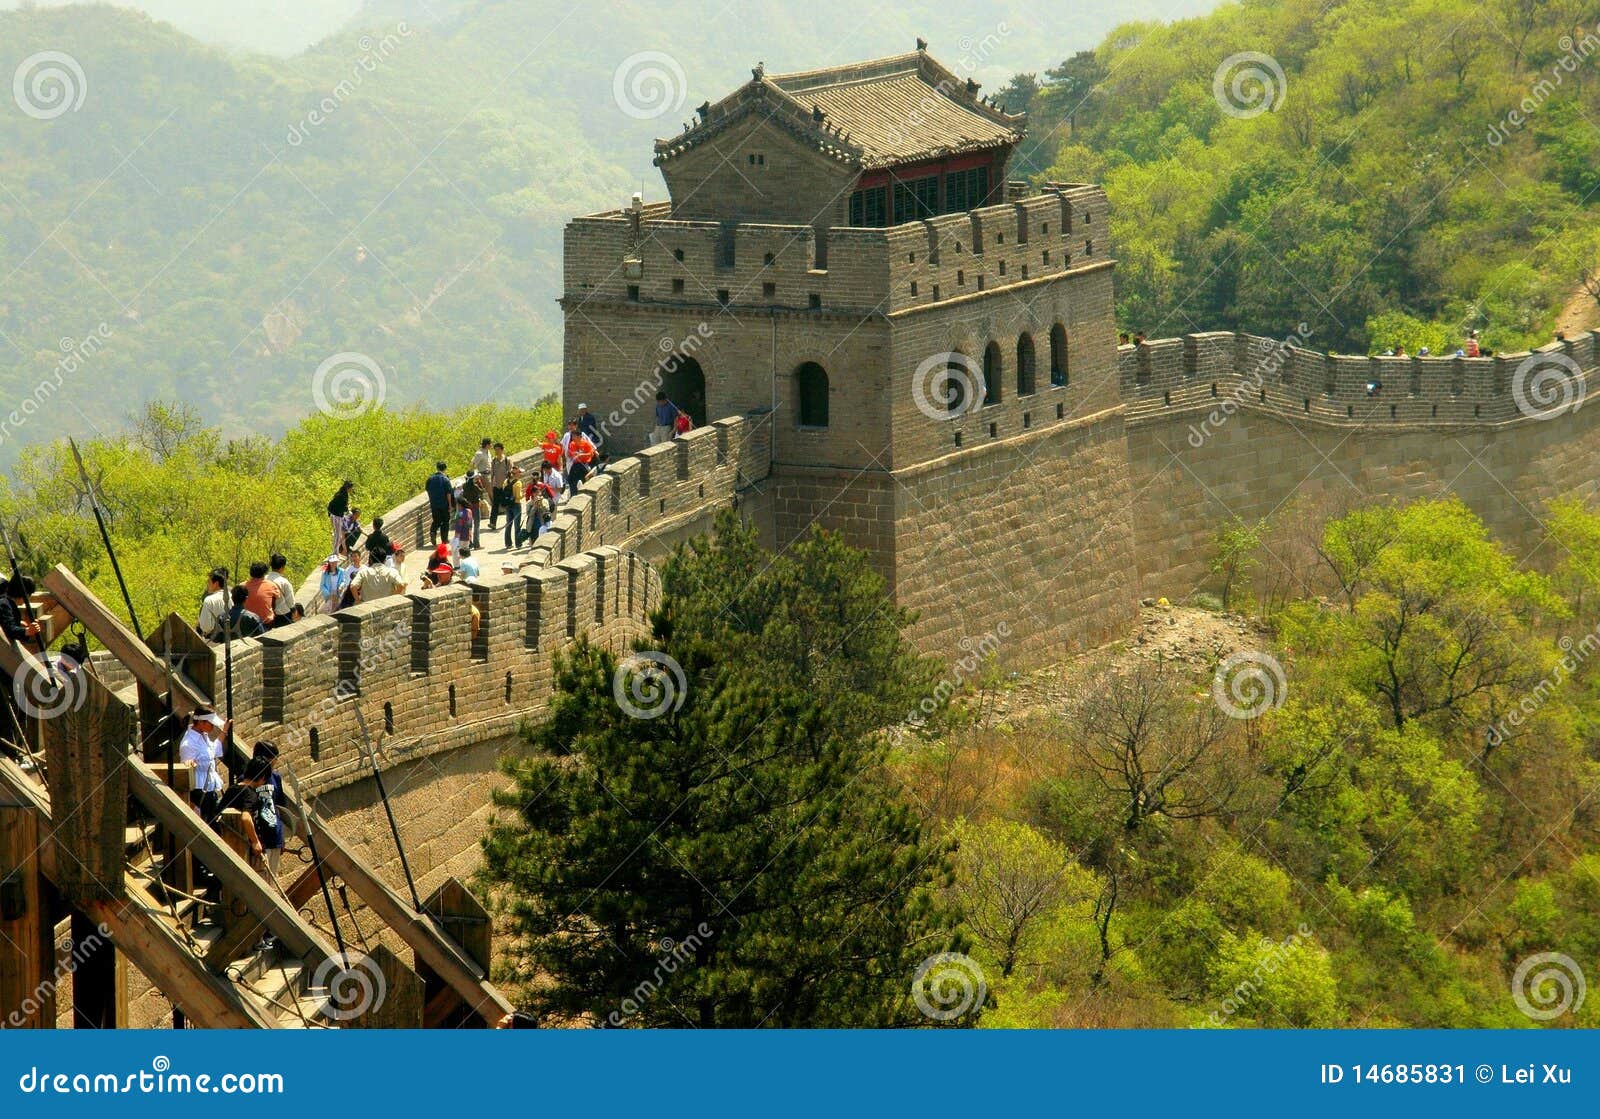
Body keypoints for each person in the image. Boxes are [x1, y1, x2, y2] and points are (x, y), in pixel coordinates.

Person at [180, 710, 229, 820]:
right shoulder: (188, 744)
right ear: (201, 722)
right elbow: (185, 772)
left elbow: (213, 751)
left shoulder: (203, 736)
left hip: (209, 789)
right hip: (199, 792)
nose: (213, 726)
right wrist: (188, 764)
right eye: (211, 723)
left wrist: (224, 731)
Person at [565, 420, 596, 495]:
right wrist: (574, 454)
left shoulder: (586, 444)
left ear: (579, 436)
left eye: (574, 436)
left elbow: (591, 453)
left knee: (586, 480)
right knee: (571, 480)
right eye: (572, 436)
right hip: (575, 464)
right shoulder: (572, 444)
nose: (572, 437)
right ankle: (573, 495)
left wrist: (582, 455)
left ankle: (586, 494)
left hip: (584, 465)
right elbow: (572, 453)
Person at [425, 461, 453, 546]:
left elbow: (427, 490)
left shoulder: (430, 479)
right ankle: (444, 539)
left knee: (436, 520)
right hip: (444, 504)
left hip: (434, 504)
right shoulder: (445, 479)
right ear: (445, 469)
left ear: (437, 468)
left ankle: (433, 532)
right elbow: (448, 493)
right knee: (445, 521)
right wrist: (450, 505)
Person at [266, 554, 298, 626]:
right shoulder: (284, 582)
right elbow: (291, 603)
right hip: (282, 615)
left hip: (267, 615)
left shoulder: (264, 579)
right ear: (282, 567)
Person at [198, 567, 229, 640]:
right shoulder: (232, 596)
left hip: (213, 639)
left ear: (216, 584)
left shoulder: (209, 600)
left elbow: (205, 626)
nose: (207, 585)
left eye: (209, 582)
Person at [327, 480, 355, 555]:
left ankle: (335, 552)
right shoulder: (343, 496)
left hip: (333, 515)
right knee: (338, 535)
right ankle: (335, 553)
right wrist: (348, 509)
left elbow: (332, 505)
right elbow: (342, 507)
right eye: (351, 488)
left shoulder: (340, 493)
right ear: (348, 488)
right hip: (336, 517)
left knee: (337, 534)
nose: (352, 489)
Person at [489, 442, 511, 531]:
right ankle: (492, 523)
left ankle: (509, 521)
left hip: (505, 487)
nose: (496, 451)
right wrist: (492, 485)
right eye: (495, 450)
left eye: (498, 449)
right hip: (496, 486)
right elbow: (492, 474)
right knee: (495, 505)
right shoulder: (494, 461)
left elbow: (510, 473)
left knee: (506, 504)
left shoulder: (507, 460)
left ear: (502, 450)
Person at [503, 464, 525, 549]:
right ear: (516, 474)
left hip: (508, 505)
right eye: (520, 472)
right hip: (516, 505)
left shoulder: (506, 481)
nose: (521, 474)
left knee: (508, 524)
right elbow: (518, 496)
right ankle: (518, 544)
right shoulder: (518, 483)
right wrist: (523, 494)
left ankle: (508, 543)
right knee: (517, 525)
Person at [460, 471, 484, 549]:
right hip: (475, 507)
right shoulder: (475, 486)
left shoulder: (464, 486)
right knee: (476, 525)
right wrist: (479, 482)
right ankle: (476, 544)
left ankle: (469, 543)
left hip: (467, 507)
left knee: (468, 526)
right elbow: (482, 491)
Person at [452, 493, 475, 565]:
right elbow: (470, 525)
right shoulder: (469, 511)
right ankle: (468, 564)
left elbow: (459, 527)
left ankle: (457, 566)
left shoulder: (460, 514)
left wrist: (455, 538)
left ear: (459, 505)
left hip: (460, 537)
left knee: (456, 552)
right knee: (466, 552)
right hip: (467, 535)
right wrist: (470, 536)